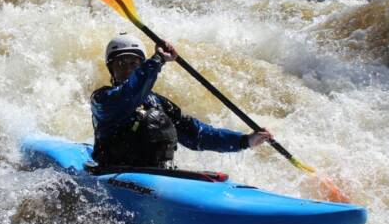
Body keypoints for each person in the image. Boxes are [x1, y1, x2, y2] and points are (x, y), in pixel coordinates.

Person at [90, 33, 273, 169]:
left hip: (154, 176)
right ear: (110, 68)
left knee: (157, 118)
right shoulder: (103, 100)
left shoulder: (157, 102)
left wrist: (244, 141)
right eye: (121, 63)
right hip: (113, 172)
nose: (128, 69)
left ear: (141, 65)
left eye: (134, 63)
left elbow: (197, 134)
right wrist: (158, 59)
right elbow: (130, 94)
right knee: (150, 118)